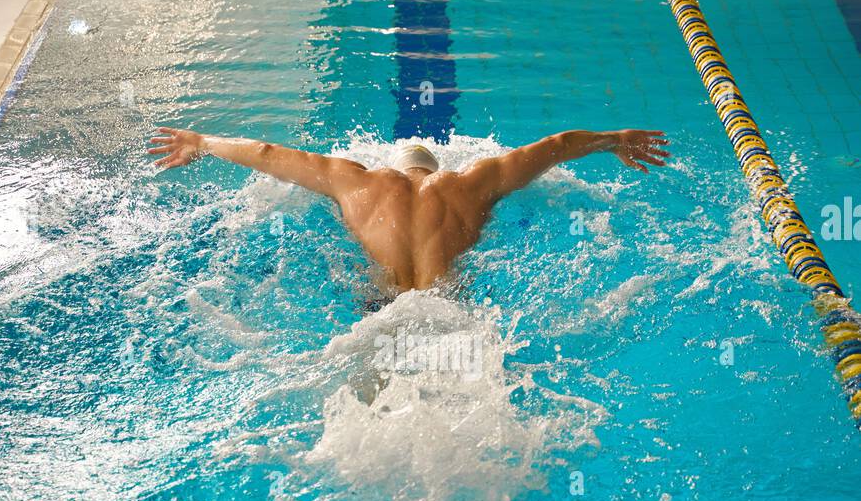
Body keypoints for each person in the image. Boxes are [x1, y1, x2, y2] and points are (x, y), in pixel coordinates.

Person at [147, 126, 669, 294]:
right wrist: (614, 140)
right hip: (449, 314)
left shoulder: (355, 181)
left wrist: (203, 141)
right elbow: (551, 147)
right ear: (436, 164)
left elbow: (268, 156)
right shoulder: (471, 183)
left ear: (391, 165)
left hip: (383, 313)